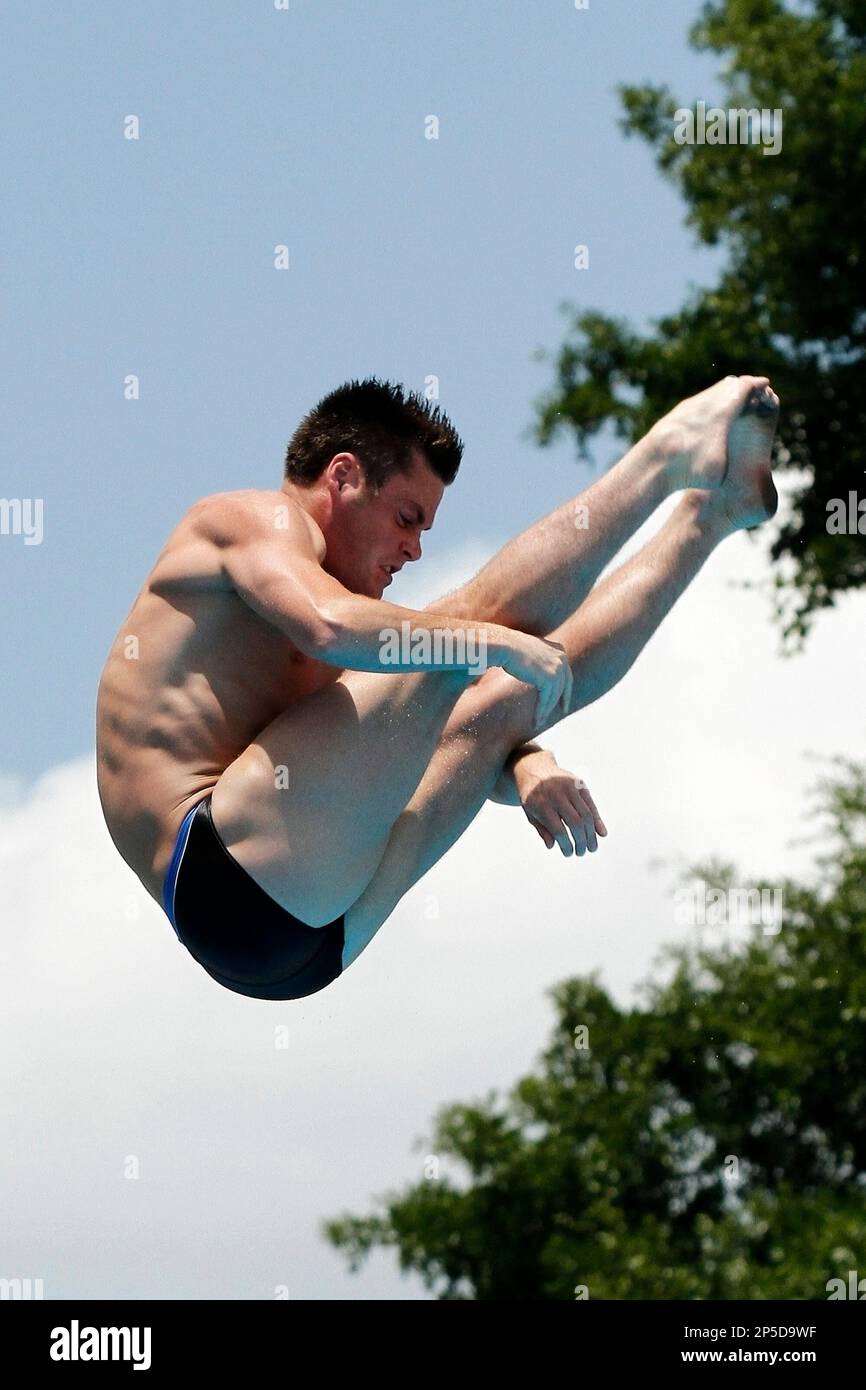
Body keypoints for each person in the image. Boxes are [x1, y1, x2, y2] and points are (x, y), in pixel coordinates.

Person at [96, 374, 780, 1000]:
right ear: (343, 477)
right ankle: (668, 453)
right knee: (456, 630)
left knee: (500, 702)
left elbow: (359, 755)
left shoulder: (342, 618)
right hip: (217, 870)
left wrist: (528, 764)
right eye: (405, 518)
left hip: (310, 946)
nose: (415, 549)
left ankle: (709, 516)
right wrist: (486, 639)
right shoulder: (252, 523)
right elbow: (328, 627)